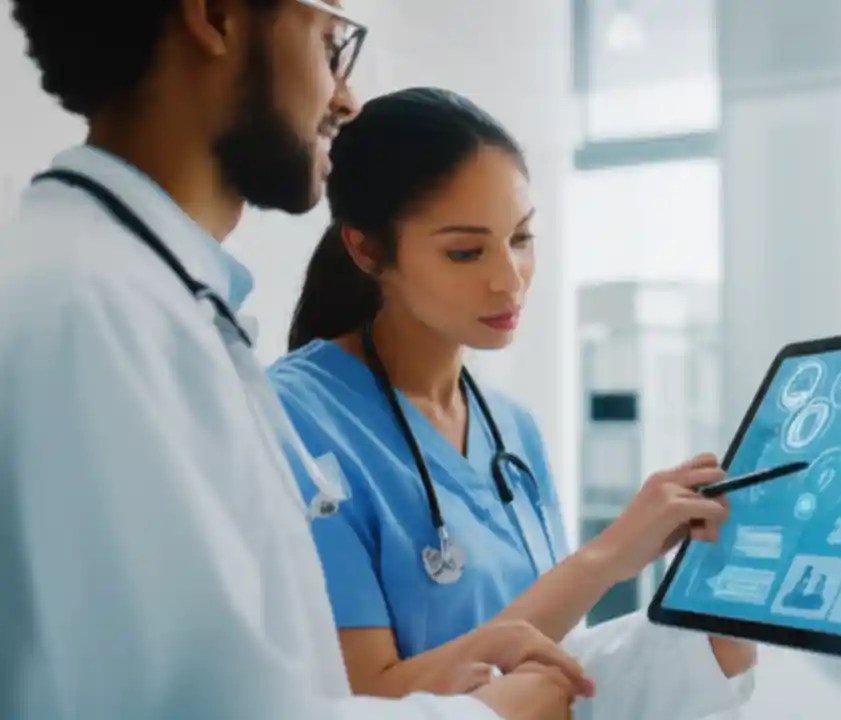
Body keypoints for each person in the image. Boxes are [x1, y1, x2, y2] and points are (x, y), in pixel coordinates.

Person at [0, 2, 585, 718]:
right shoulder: (92, 317)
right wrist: (493, 713)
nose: (347, 99)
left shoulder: (151, 305)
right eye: (330, 42)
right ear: (216, 16)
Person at [270, 87, 757, 718]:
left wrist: (712, 625)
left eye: (522, 238)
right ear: (367, 250)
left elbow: (547, 668)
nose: (510, 278)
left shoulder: (511, 431)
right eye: (465, 252)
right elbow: (357, 703)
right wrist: (606, 558)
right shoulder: (292, 419)